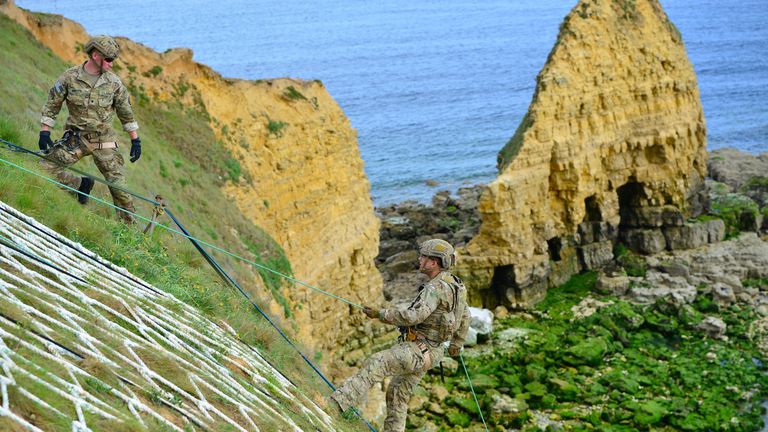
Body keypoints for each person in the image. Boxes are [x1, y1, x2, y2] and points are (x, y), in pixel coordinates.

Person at [329, 239, 471, 432]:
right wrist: (457, 344)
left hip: (417, 351)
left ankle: (336, 404)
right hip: (433, 353)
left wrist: (380, 314)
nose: (419, 259)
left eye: (423, 256)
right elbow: (465, 315)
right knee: (397, 394)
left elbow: (414, 316)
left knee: (378, 362)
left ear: (434, 263)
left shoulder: (435, 288)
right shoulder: (457, 286)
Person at [38, 35, 142, 224]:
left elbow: (126, 112)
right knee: (43, 169)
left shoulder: (114, 83)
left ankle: (129, 229)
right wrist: (45, 131)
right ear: (95, 55)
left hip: (104, 140)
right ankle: (78, 186)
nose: (111, 64)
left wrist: (135, 140)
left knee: (119, 187)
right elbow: (53, 103)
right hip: (75, 139)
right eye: (109, 59)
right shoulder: (69, 77)